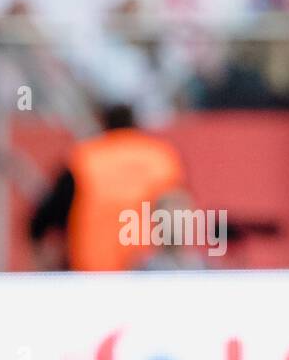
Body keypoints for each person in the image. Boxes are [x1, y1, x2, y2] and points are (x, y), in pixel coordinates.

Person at [29, 103, 186, 271]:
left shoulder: (84, 158)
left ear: (103, 125)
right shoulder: (160, 158)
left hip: (92, 272)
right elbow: (175, 216)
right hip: (146, 271)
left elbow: (44, 218)